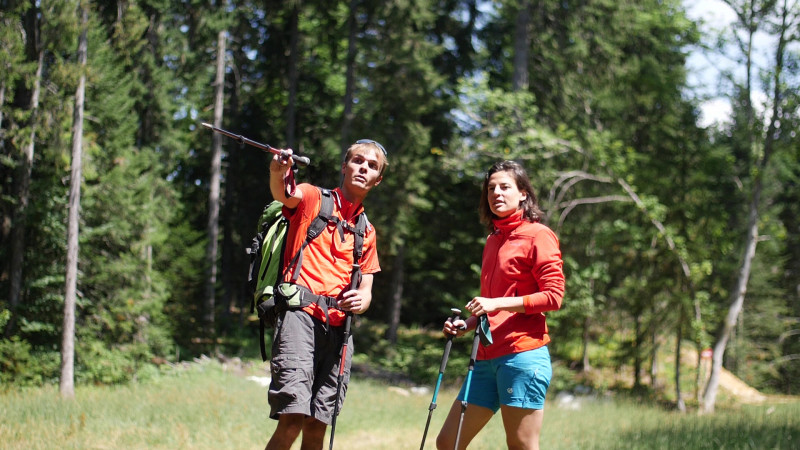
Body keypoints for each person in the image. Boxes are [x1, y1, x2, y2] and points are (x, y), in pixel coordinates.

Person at [265, 139, 388, 450]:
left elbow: (367, 291)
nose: (364, 167)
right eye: (357, 161)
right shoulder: (312, 198)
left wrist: (361, 301)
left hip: (338, 334)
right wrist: (279, 170)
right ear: (344, 166)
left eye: (372, 166)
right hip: (299, 318)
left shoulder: (366, 230)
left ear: (378, 179)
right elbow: (284, 193)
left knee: (317, 424)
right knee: (292, 417)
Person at [436, 160, 565, 450]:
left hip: (522, 357)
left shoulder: (538, 235)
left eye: (505, 186)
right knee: (447, 442)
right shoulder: (493, 240)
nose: (496, 193)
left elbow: (553, 296)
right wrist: (466, 325)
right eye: (490, 188)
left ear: (523, 194)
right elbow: (493, 308)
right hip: (485, 356)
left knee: (520, 446)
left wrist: (496, 302)